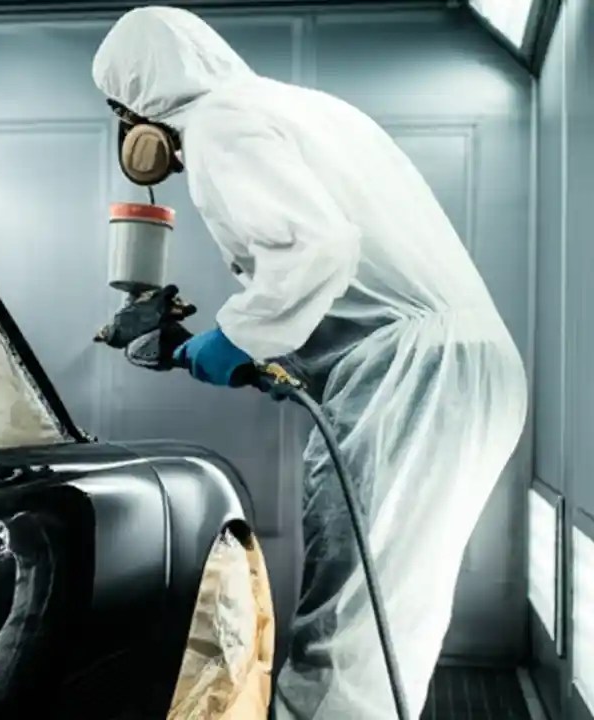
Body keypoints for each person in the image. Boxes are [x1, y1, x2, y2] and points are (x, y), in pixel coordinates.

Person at [92, 7, 528, 719]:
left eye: (120, 111)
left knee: (348, 633)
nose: (129, 136)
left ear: (142, 97)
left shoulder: (219, 123)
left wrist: (232, 340)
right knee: (394, 618)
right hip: (466, 366)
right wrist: (250, 346)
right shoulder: (306, 109)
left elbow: (317, 250)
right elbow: (339, 270)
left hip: (407, 378)